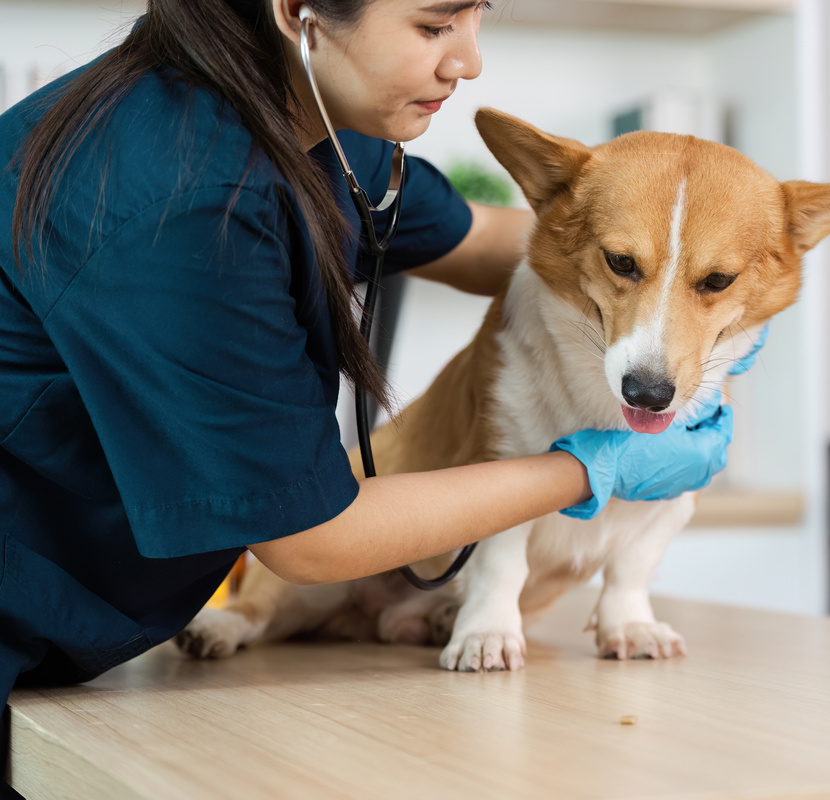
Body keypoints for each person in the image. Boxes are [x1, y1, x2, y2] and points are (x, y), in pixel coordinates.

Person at [0, 0, 737, 714]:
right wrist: (593, 465)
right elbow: (311, 541)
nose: (470, 61)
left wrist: (682, 293)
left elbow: (483, 239)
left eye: (479, 14)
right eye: (435, 24)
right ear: (298, 12)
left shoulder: (312, 120)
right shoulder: (186, 202)